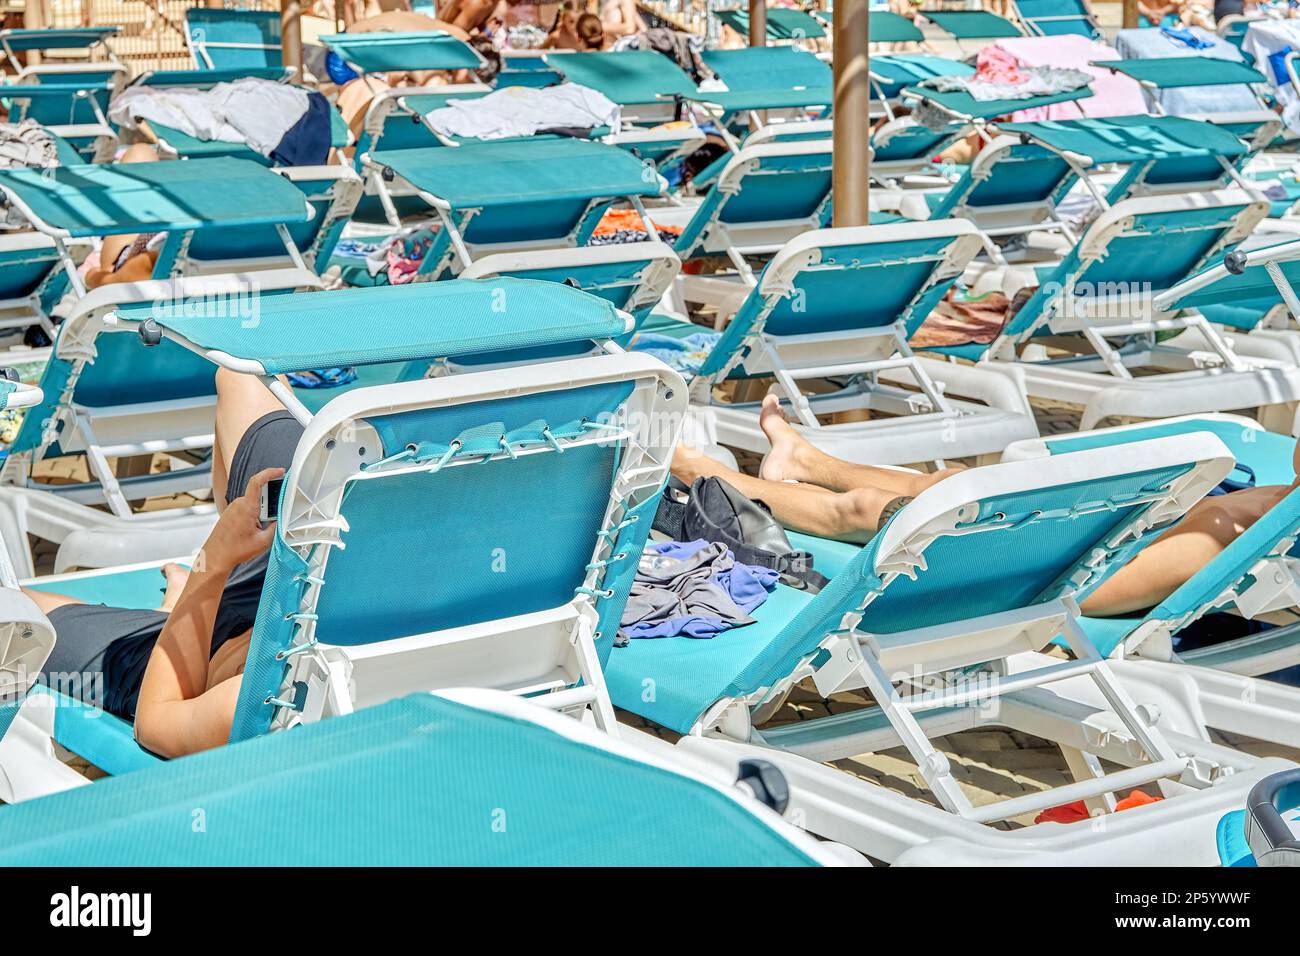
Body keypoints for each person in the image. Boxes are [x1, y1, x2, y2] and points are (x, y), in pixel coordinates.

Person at [672, 396, 1300, 620]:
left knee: (869, 511)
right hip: (1109, 528)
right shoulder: (1266, 510)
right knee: (948, 480)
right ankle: (806, 462)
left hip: (1040, 562)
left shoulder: (1226, 534)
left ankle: (710, 474)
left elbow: (1076, 595)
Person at [27, 369, 303, 757]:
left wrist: (216, 560)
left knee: (17, 618)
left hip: (200, 667)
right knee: (245, 374)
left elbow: (154, 722)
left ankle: (184, 607)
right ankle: (196, 595)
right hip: (303, 577)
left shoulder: (271, 698)